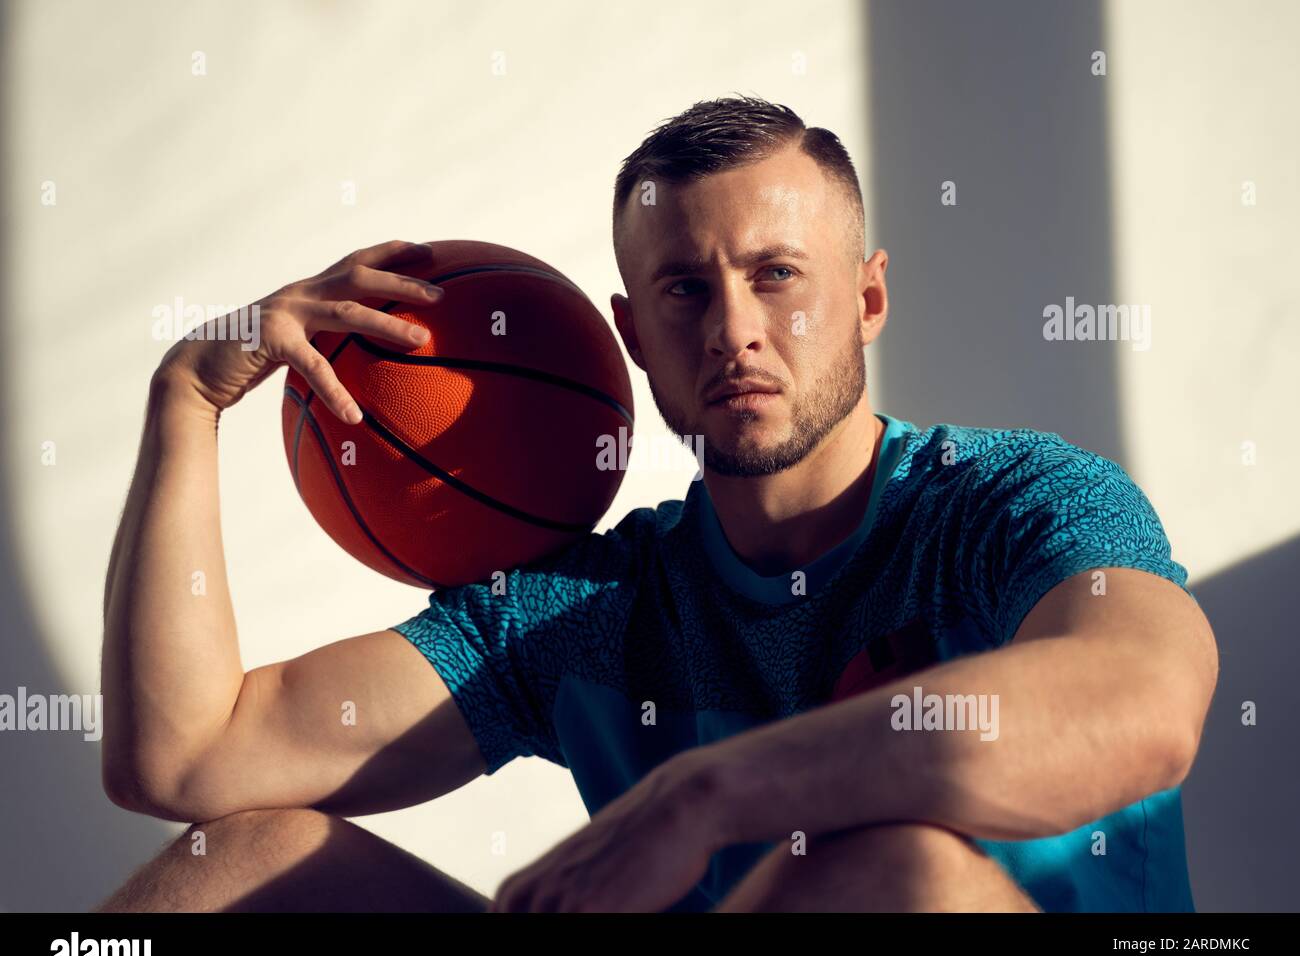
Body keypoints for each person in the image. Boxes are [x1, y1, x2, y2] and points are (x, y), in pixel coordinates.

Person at [96, 95, 1218, 914]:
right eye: (685, 289)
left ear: (868, 297)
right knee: (237, 864)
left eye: (776, 273)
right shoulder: (581, 610)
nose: (731, 328)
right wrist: (185, 397)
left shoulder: (1009, 504)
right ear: (633, 339)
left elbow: (1145, 700)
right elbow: (185, 761)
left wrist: (705, 796)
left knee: (889, 874)